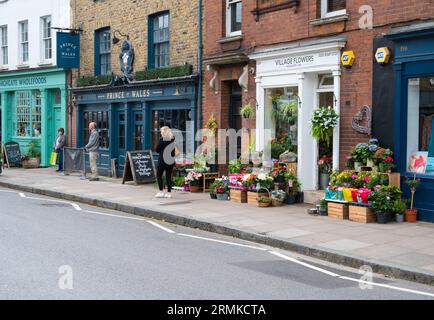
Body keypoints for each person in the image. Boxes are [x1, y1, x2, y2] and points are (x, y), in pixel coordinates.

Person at [155, 126, 176, 198]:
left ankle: (161, 192)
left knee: (159, 175)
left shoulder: (161, 140)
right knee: (168, 177)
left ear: (163, 132)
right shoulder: (172, 140)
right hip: (170, 160)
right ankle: (169, 193)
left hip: (162, 161)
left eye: (161, 132)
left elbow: (157, 150)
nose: (160, 133)